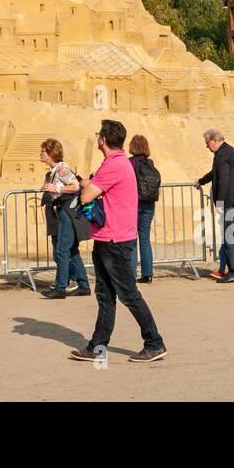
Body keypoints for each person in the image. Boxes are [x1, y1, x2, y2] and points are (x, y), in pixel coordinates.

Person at [69, 119, 166, 363]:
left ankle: (154, 343)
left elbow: (86, 196)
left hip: (115, 240)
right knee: (105, 296)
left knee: (128, 294)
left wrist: (86, 187)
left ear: (102, 139)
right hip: (109, 237)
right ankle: (97, 346)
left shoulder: (113, 165)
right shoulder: (117, 163)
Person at [197, 129, 234, 283]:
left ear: (214, 140)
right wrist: (202, 181)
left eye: (207, 144)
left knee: (231, 238)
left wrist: (221, 203)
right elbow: (215, 173)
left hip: (233, 202)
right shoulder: (227, 152)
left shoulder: (223, 154)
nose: (207, 147)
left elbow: (224, 179)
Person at [39, 139, 89, 299]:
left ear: (51, 153)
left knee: (61, 250)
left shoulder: (61, 168)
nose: (41, 154)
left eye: (43, 151)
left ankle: (60, 288)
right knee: (72, 251)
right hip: (63, 212)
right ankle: (83, 285)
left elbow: (75, 186)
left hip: (67, 213)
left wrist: (57, 188)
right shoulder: (56, 169)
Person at [128, 135, 160, 283]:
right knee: (145, 239)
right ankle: (148, 274)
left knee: (132, 239)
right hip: (149, 204)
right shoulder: (150, 162)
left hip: (134, 203)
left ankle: (132, 274)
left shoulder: (130, 162)